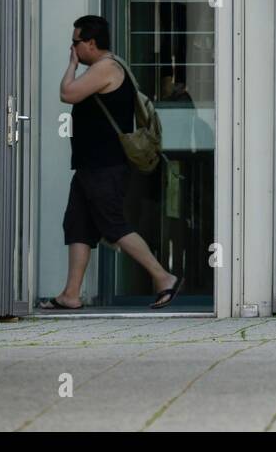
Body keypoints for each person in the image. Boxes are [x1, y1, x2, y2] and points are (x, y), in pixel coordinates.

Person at [37, 15, 182, 311]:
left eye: (75, 42)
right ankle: (71, 294)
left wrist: (72, 66)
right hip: (91, 164)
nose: (73, 47)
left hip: (105, 165)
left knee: (113, 224)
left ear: (90, 43)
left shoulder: (106, 68)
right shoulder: (108, 66)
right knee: (77, 225)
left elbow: (67, 93)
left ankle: (163, 277)